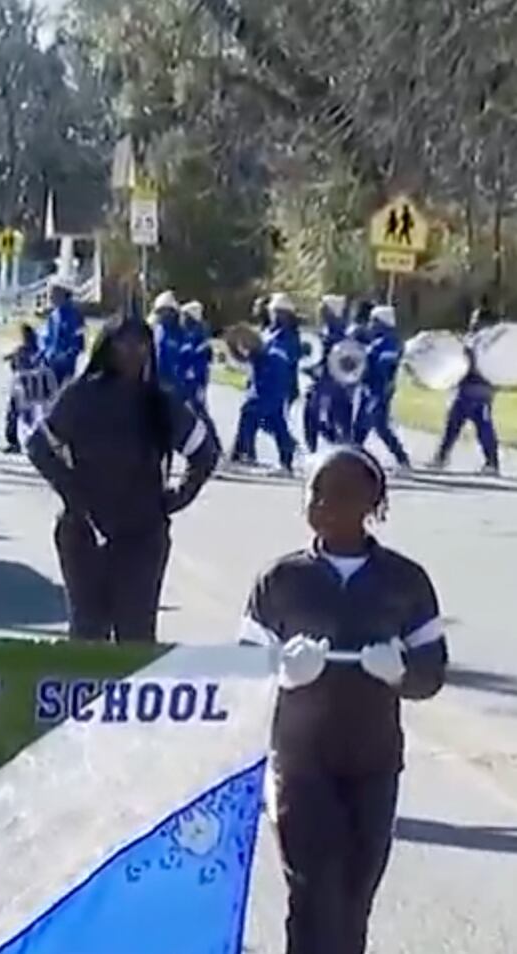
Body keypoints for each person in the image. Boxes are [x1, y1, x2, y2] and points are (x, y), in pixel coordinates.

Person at [239, 446, 447, 954]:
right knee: (314, 891)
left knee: (355, 898)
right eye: (315, 493)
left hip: (373, 764)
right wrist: (281, 674)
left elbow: (432, 671)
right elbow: (244, 668)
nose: (324, 505)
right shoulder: (280, 580)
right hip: (301, 763)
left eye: (340, 494)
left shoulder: (406, 582)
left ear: (372, 503)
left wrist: (401, 673)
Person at [27, 315, 219, 642]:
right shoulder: (81, 396)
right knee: (88, 632)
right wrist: (72, 492)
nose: (132, 351)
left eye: (141, 343)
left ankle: (132, 694)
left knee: (136, 635)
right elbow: (38, 445)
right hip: (84, 533)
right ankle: (86, 695)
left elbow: (205, 453)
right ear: (107, 347)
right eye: (123, 342)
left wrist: (177, 497)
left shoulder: (159, 402)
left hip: (142, 537)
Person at [232, 293, 301, 474]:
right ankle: (286, 460)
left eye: (277, 313)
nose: (273, 315)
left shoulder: (289, 338)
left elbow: (282, 361)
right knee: (276, 423)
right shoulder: (270, 333)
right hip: (262, 383)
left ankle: (243, 455)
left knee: (249, 414)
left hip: (274, 386)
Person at [430, 307, 502, 475]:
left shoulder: (488, 343)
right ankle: (441, 458)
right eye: (473, 319)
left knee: (483, 429)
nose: (473, 323)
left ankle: (492, 463)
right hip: (465, 390)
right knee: (453, 425)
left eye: (476, 320)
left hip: (480, 391)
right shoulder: (471, 339)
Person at [353, 305, 411, 471]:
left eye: (374, 321)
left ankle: (403, 460)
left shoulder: (388, 343)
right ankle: (354, 456)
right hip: (370, 389)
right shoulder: (381, 341)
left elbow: (383, 367)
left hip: (379, 390)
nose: (370, 325)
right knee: (360, 425)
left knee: (380, 426)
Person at [303, 294, 353, 452]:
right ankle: (336, 447)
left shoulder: (336, 334)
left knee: (317, 418)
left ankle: (321, 450)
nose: (320, 311)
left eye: (324, 308)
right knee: (322, 419)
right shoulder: (330, 331)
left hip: (331, 384)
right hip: (325, 383)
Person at [3, 324, 51, 454]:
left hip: (22, 387)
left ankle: (13, 442)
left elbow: (11, 363)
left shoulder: (20, 351)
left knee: (13, 413)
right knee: (36, 417)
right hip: (38, 389)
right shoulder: (39, 351)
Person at [180, 300, 217, 438]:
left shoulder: (200, 335)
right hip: (187, 378)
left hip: (197, 379)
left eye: (185, 315)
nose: (182, 318)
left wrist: (194, 374)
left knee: (199, 410)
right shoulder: (187, 333)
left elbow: (203, 358)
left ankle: (214, 442)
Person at [41, 277, 85, 384]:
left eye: (54, 292)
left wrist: (64, 357)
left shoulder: (75, 315)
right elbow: (46, 340)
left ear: (64, 293)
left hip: (65, 365)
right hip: (49, 362)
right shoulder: (53, 316)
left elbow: (78, 344)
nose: (50, 296)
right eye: (50, 292)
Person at [150, 290, 185, 394]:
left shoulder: (180, 333)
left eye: (167, 310)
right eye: (161, 311)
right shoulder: (155, 329)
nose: (164, 314)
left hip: (175, 384)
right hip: (156, 382)